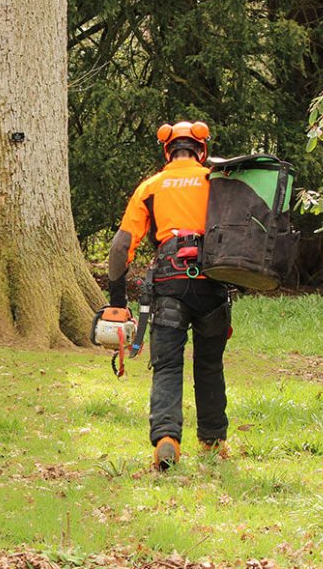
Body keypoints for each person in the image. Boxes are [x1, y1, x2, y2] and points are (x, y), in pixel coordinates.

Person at [106, 120, 231, 471]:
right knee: (209, 365)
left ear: (168, 150)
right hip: (211, 281)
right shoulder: (216, 182)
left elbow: (120, 247)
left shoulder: (152, 186)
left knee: (168, 366)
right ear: (201, 150)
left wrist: (118, 303)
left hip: (169, 282)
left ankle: (166, 439)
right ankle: (212, 442)